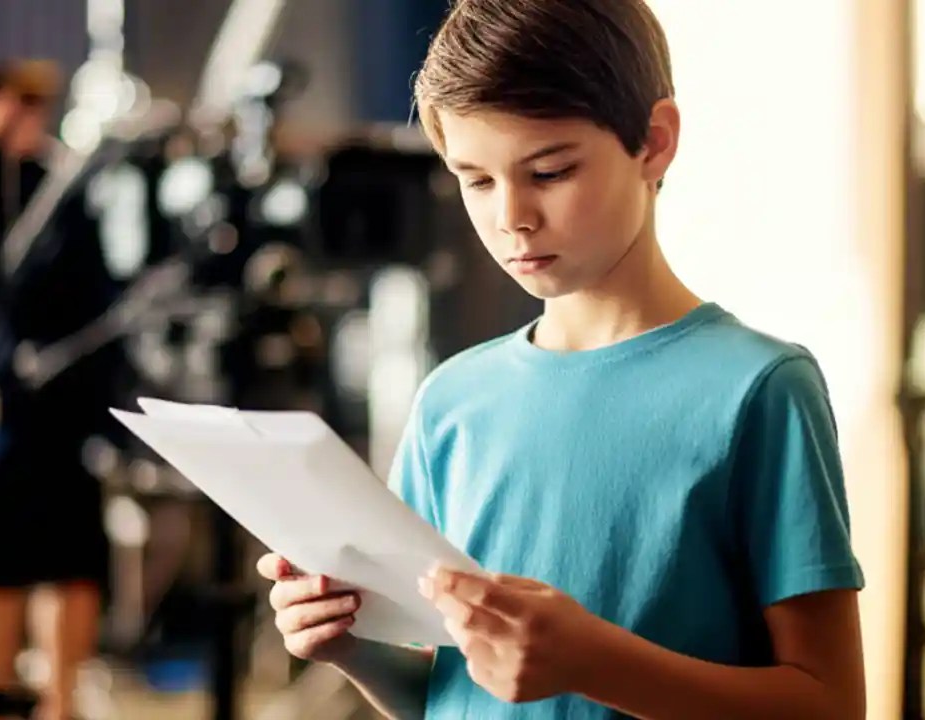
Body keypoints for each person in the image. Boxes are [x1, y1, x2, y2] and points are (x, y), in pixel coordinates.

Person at [258, 1, 867, 718]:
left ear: (654, 142)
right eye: (477, 180)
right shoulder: (451, 402)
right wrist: (350, 647)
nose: (511, 217)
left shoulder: (757, 390)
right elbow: (452, 693)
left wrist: (593, 663)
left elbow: (830, 704)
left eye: (549, 171)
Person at [0, 61, 117, 720]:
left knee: (71, 562)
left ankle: (61, 704)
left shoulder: (61, 192)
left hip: (62, 413)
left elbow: (95, 295)